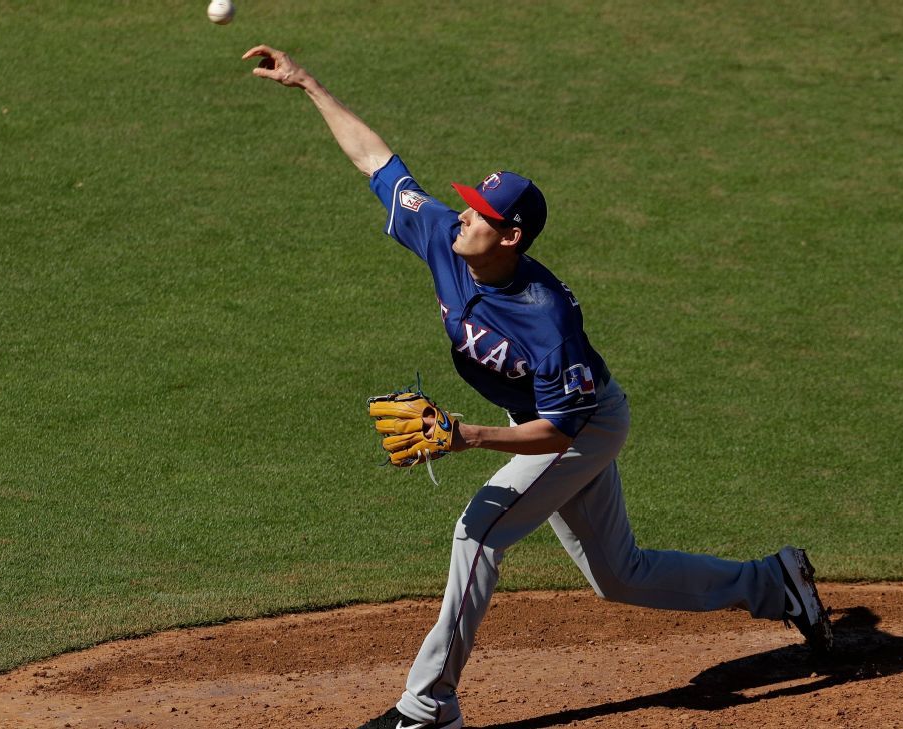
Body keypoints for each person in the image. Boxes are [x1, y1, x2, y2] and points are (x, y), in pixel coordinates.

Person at [242, 45, 834, 729]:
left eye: (479, 214)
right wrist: (308, 84)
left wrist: (469, 436)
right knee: (622, 574)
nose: (461, 216)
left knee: (479, 530)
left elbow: (560, 429)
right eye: (465, 206)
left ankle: (429, 704)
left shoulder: (548, 320)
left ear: (512, 236)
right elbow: (377, 162)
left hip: (581, 423)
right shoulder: (445, 238)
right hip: (548, 420)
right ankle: (777, 583)